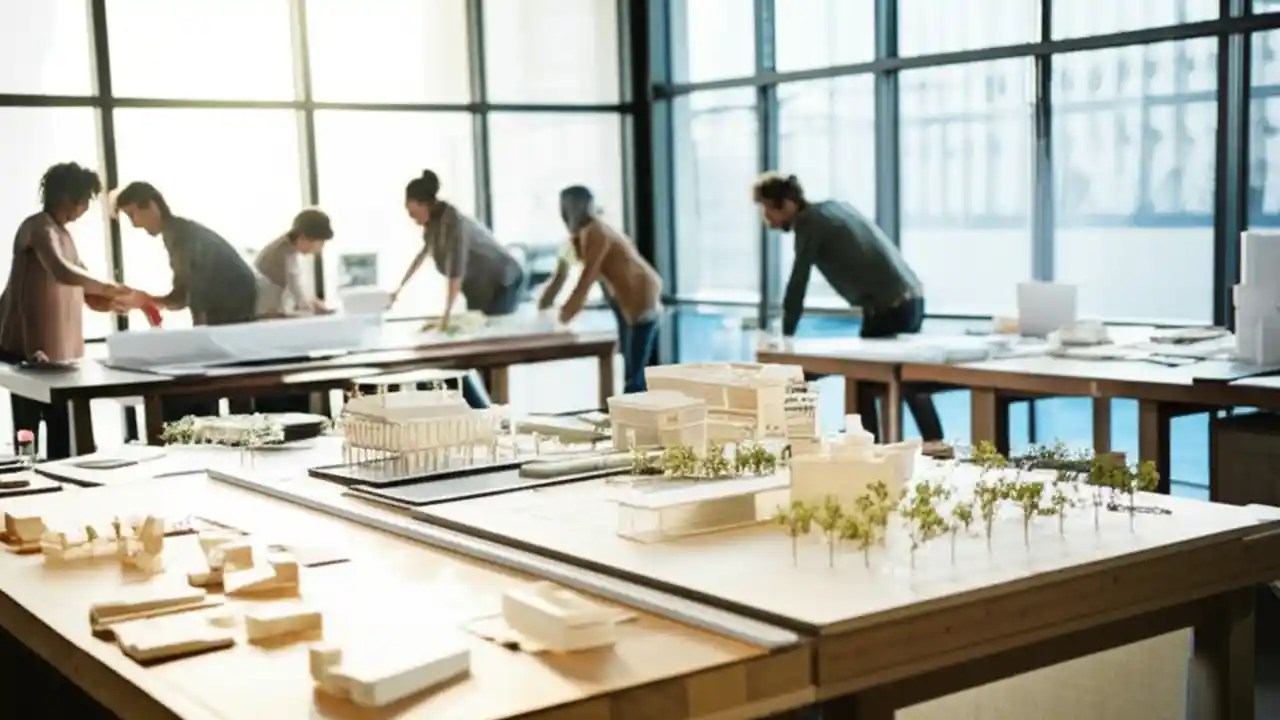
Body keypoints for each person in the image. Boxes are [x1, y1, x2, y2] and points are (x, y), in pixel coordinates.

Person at [752, 171, 943, 443]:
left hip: (886, 307)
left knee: (862, 380)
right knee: (907, 378)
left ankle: (865, 446)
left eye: (767, 210)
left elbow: (798, 282)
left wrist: (785, 340)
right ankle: (932, 441)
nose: (767, 219)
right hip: (910, 299)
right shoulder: (833, 207)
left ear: (785, 204)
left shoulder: (809, 223)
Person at [0, 163, 137, 458]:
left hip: (60, 356)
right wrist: (109, 289)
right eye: (86, 199)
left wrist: (115, 299)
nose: (86, 207)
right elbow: (61, 270)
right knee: (29, 433)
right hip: (26, 349)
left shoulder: (64, 235)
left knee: (62, 431)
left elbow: (86, 287)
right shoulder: (38, 226)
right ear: (68, 197)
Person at [539, 186, 661, 393]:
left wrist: (563, 319)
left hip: (640, 297)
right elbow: (560, 275)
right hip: (623, 301)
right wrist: (542, 311)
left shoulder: (597, 232)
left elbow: (587, 278)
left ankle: (633, 418)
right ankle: (629, 414)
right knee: (630, 366)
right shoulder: (579, 237)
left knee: (634, 373)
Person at [392, 170, 525, 328]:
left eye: (413, 213)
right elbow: (421, 256)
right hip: (478, 287)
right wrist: (399, 289)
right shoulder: (432, 225)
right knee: (474, 329)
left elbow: (455, 274)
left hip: (502, 281)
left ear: (425, 205)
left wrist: (445, 318)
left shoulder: (453, 224)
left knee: (490, 332)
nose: (412, 219)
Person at [114, 181, 258, 327]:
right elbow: (182, 296)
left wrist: (199, 330)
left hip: (231, 309)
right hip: (231, 308)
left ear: (151, 206)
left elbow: (195, 289)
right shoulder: (180, 232)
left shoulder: (183, 236)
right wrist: (146, 301)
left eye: (132, 214)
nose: (134, 224)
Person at [255, 208, 333, 318]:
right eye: (320, 242)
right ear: (304, 237)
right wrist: (308, 306)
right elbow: (292, 295)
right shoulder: (281, 255)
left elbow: (295, 290)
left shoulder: (285, 249)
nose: (321, 247)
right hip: (268, 317)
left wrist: (309, 303)